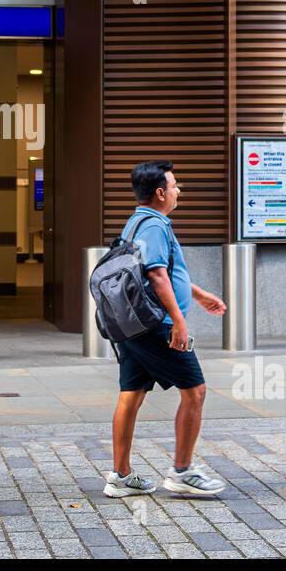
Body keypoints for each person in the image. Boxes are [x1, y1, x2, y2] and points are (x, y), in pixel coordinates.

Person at [104, 160, 229, 499]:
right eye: (174, 186)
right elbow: (157, 276)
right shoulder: (156, 226)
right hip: (155, 325)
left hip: (131, 325)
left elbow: (160, 272)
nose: (177, 191)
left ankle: (120, 476)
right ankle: (182, 471)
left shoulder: (135, 222)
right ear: (160, 193)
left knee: (131, 394)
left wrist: (199, 295)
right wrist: (179, 322)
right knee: (195, 391)